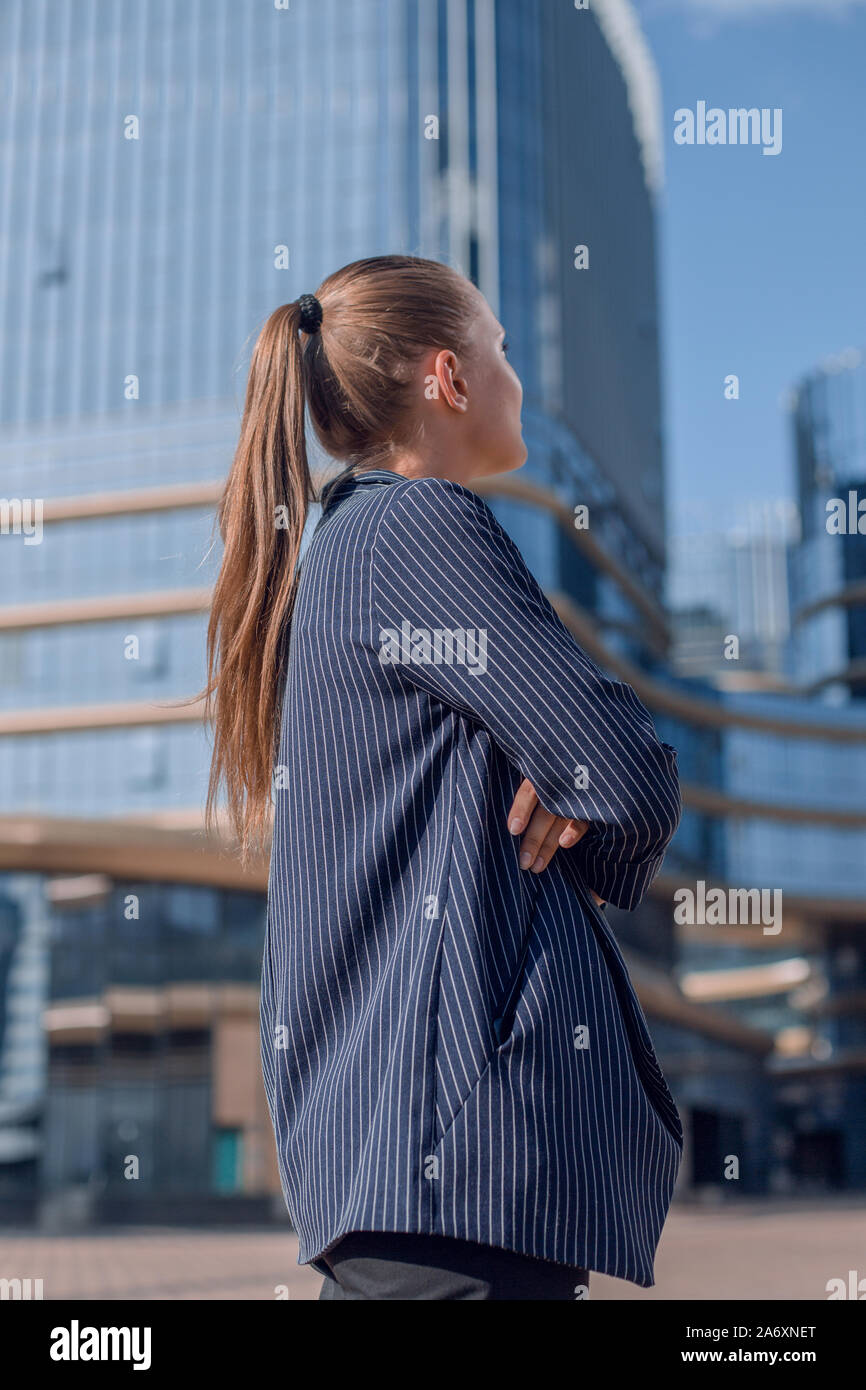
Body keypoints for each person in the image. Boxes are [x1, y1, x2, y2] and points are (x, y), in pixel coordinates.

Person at [204, 255, 684, 1300]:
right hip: (454, 1193)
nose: (515, 375)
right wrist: (580, 784)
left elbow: (584, 769)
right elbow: (626, 774)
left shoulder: (346, 545)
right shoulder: (417, 526)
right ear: (447, 378)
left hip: (415, 1194)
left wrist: (568, 774)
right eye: (500, 348)